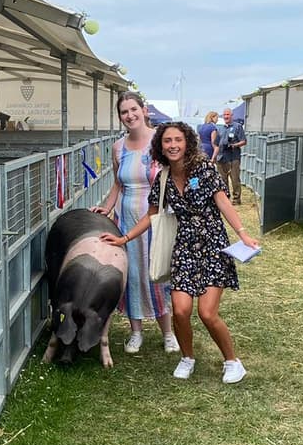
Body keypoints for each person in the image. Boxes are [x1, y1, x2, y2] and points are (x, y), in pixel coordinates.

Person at [101, 122, 260, 384]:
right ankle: (187, 358)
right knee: (181, 310)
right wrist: (124, 238)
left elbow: (222, 201)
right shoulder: (163, 178)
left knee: (207, 313)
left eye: (177, 140)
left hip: (212, 247)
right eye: (167, 141)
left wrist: (242, 233)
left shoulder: (204, 169)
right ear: (160, 146)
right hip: (184, 248)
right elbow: (151, 215)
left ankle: (233, 362)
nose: (173, 145)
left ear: (187, 142)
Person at [91, 91, 178, 355]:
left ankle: (168, 332)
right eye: (124, 112)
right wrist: (106, 207)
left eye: (133, 109)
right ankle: (136, 331)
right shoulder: (118, 147)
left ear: (143, 110)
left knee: (159, 272)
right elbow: (118, 182)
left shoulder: (160, 141)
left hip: (157, 218)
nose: (129, 115)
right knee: (132, 275)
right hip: (126, 219)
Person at [215, 108, 246, 204]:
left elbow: (243, 141)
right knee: (223, 180)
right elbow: (216, 143)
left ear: (232, 115)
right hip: (221, 157)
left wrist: (234, 145)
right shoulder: (220, 128)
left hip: (233, 157)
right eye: (224, 115)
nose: (226, 117)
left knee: (235, 178)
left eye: (228, 114)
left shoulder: (238, 127)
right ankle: (225, 198)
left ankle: (236, 199)